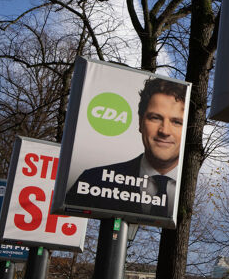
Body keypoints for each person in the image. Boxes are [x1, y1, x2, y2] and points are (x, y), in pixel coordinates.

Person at [72, 77, 187, 220]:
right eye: (155, 118)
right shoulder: (92, 181)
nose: (164, 131)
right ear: (140, 122)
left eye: (176, 122)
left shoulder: (192, 194)